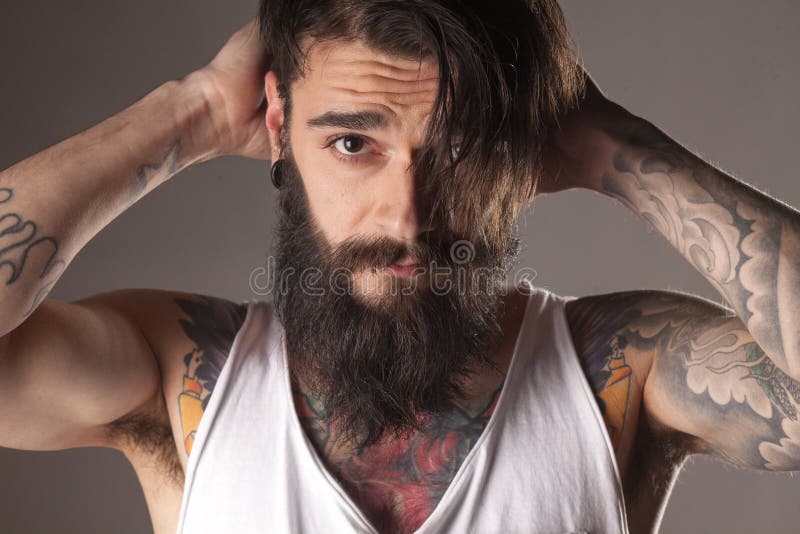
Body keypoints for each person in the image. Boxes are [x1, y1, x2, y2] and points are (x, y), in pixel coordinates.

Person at [1, 1, 798, 533]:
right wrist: (197, 107)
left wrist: (612, 146)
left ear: (520, 146)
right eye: (353, 143)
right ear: (279, 122)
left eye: (460, 148)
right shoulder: (181, 376)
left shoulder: (621, 371)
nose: (407, 217)